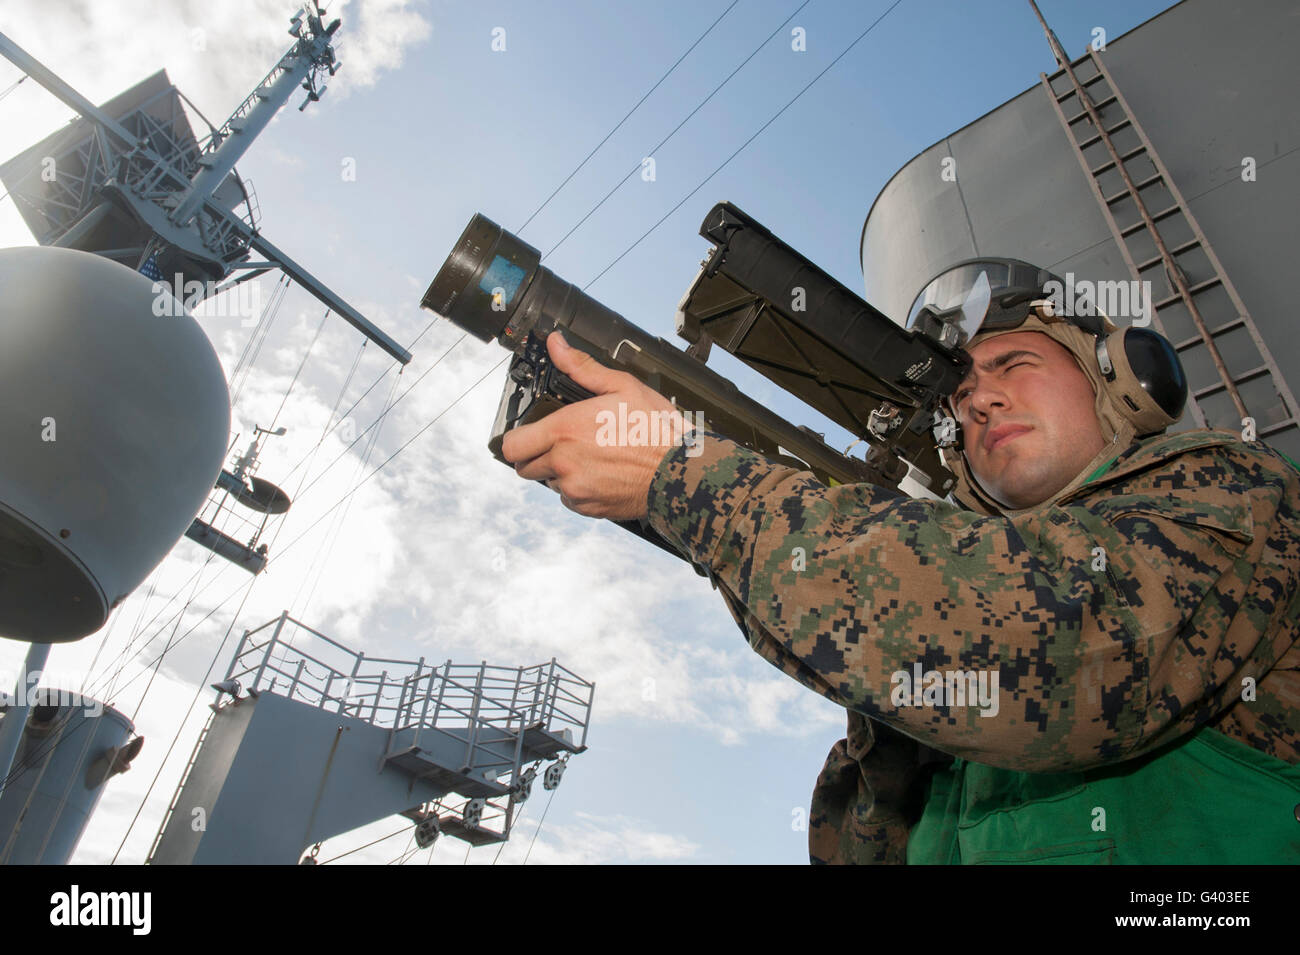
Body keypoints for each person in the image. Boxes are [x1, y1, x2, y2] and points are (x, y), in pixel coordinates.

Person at [500, 258, 1300, 864]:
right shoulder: (941, 654)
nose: (977, 398)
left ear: (1122, 378)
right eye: (961, 393)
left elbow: (1057, 643)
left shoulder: (1232, 490)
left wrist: (695, 483)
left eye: (1014, 365)